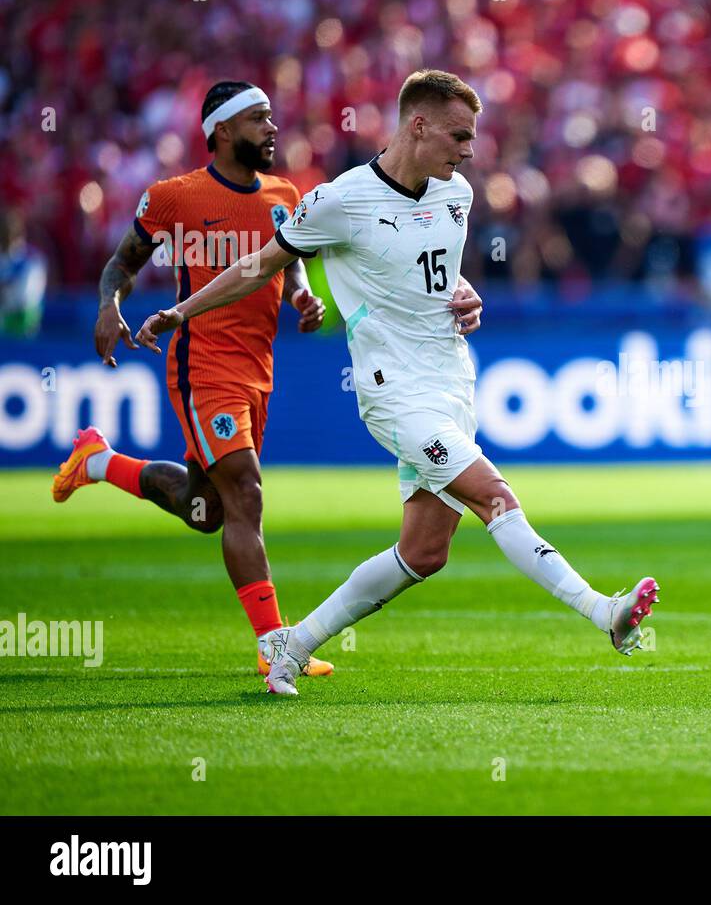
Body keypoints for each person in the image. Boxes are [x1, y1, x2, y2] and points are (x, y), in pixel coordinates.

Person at [135, 69, 658, 695]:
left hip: (452, 381)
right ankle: (604, 611)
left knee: (423, 553)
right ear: (418, 124)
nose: (469, 149)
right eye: (459, 135)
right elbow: (257, 264)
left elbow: (433, 281)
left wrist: (466, 297)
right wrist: (181, 311)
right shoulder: (340, 201)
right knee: (494, 496)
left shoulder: (456, 194)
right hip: (394, 391)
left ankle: (290, 645)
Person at [52, 80, 485, 677]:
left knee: (206, 510)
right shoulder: (173, 197)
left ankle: (97, 461)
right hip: (202, 364)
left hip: (259, 366)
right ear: (221, 131)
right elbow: (125, 261)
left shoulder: (286, 194)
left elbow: (293, 257)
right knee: (247, 495)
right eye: (258, 119)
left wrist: (303, 298)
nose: (272, 129)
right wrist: (109, 305)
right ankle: (275, 643)